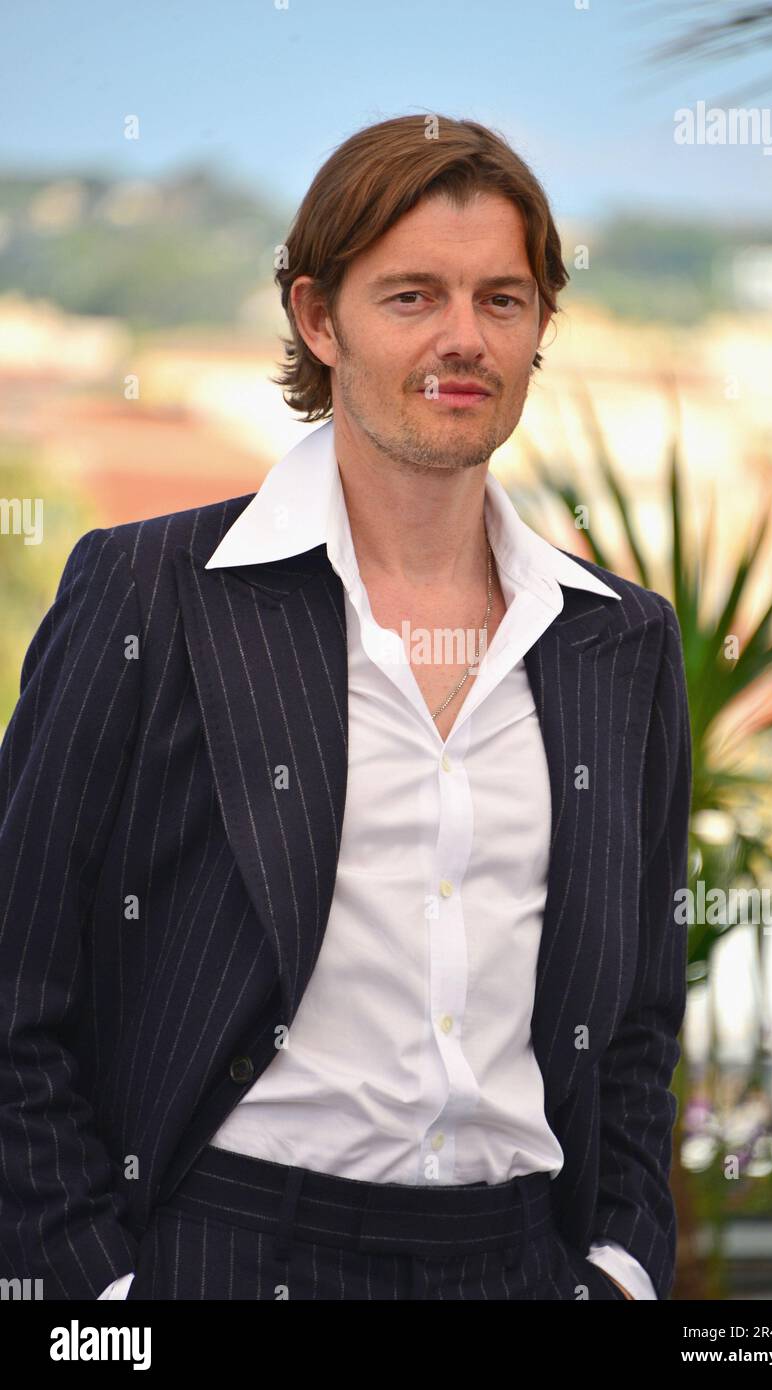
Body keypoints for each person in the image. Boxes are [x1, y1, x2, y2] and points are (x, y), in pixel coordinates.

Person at [0, 114, 691, 1301]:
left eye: (503, 300)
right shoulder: (150, 591)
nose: (463, 339)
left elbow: (633, 1023)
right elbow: (16, 991)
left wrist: (620, 1271)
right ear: (319, 319)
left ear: (540, 330)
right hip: (222, 1254)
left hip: (517, 1260)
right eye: (412, 296)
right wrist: (102, 1299)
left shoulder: (617, 640)